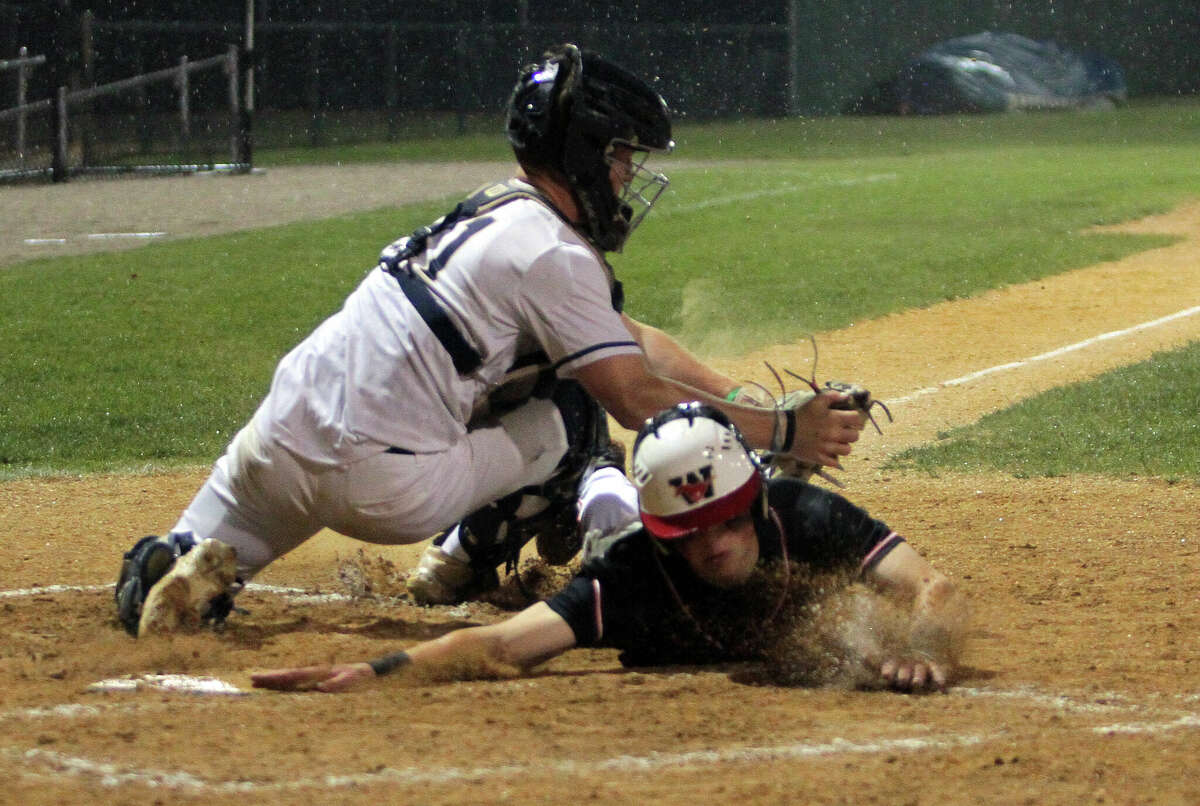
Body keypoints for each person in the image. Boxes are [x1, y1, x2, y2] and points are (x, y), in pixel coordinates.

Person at [113, 44, 867, 638]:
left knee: (197, 559)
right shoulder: (555, 254)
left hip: (282, 434)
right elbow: (635, 393)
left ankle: (172, 570)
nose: (627, 174)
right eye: (619, 156)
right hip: (388, 482)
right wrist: (785, 430)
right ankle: (464, 556)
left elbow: (631, 337)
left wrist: (738, 396)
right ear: (581, 153)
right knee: (573, 410)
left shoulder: (495, 212)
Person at [252, 403, 966, 694]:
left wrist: (927, 648)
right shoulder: (631, 572)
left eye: (726, 521)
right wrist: (376, 672)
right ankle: (590, 466)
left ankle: (596, 467)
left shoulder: (802, 511)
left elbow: (933, 586)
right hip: (615, 536)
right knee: (606, 526)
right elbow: (501, 645)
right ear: (666, 538)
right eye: (689, 533)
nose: (713, 546)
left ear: (754, 501)